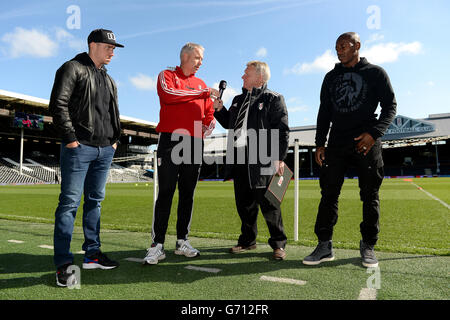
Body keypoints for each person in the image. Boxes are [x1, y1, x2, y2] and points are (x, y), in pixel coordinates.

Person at [302, 32, 397, 268]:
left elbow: (390, 106)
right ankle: (324, 245)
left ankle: (368, 245)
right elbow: (324, 112)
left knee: (369, 196)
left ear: (357, 46)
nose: (339, 50)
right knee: (328, 195)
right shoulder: (330, 77)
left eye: (343, 46)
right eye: (336, 47)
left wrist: (374, 134)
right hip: (336, 143)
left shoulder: (375, 73)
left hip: (366, 142)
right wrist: (320, 143)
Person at [49, 28, 124, 286]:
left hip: (105, 149)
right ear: (93, 45)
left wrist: (115, 140)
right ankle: (63, 264)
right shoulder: (72, 68)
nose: (112, 51)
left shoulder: (109, 78)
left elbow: (114, 113)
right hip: (79, 148)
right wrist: (71, 139)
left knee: (95, 202)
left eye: (114, 48)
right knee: (69, 204)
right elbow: (58, 105)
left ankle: (92, 255)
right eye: (108, 47)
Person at [143, 43, 219, 265]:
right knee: (166, 191)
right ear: (185, 56)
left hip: (195, 140)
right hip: (171, 138)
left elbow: (208, 113)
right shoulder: (167, 76)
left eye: (202, 59)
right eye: (197, 58)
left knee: (188, 193)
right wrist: (204, 92)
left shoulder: (201, 84)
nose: (200, 62)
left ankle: (182, 241)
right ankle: (157, 245)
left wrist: (209, 123)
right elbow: (170, 96)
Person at [214, 61, 289, 260]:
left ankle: (278, 244)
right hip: (239, 157)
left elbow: (282, 131)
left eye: (246, 73)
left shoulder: (273, 98)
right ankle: (248, 241)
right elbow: (230, 125)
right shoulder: (238, 99)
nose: (242, 77)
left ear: (260, 77)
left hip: (262, 158)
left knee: (269, 203)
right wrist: (219, 110)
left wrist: (279, 158)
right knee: (244, 203)